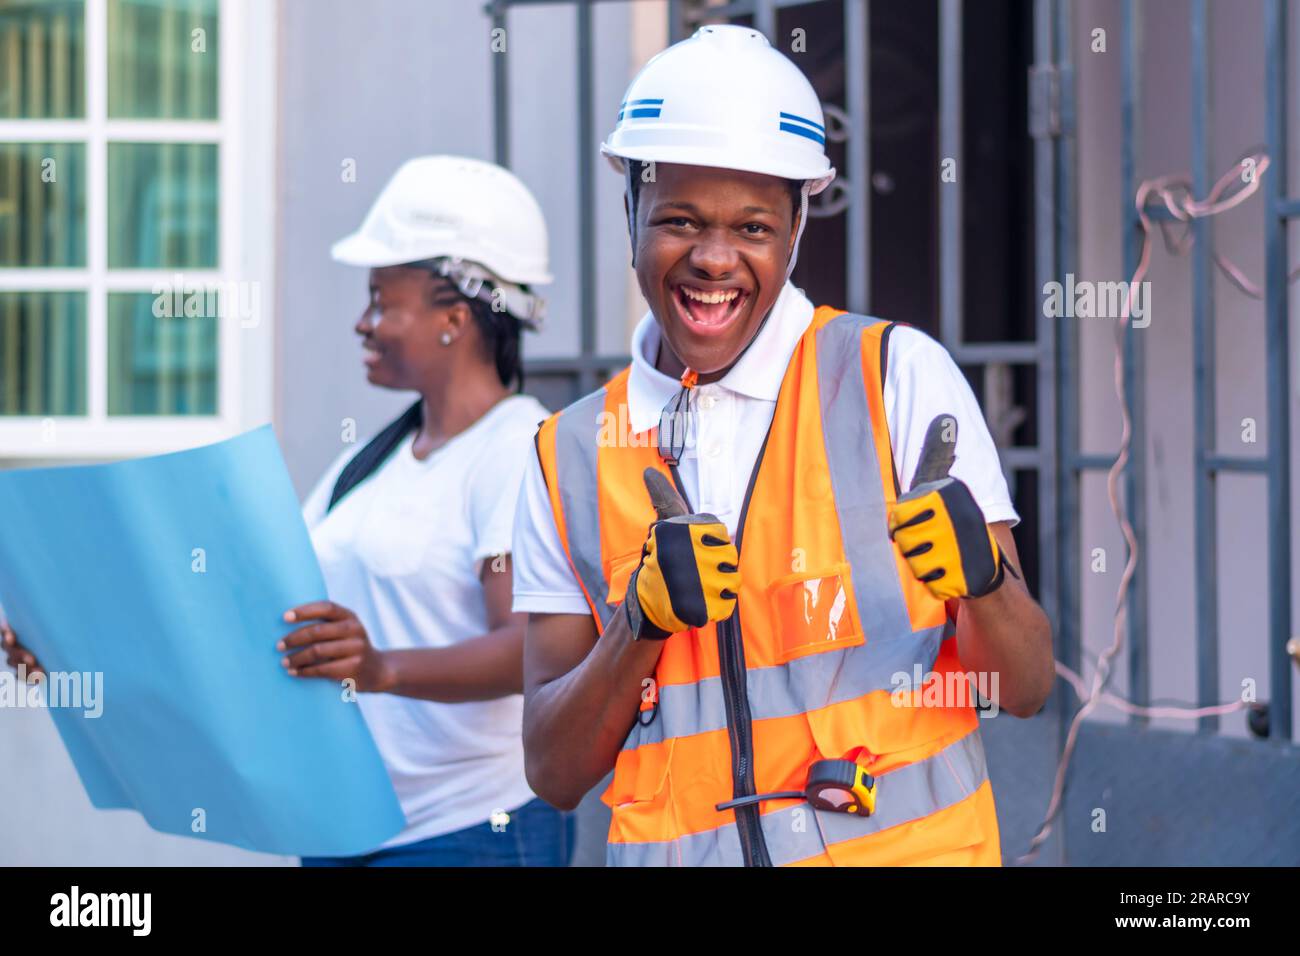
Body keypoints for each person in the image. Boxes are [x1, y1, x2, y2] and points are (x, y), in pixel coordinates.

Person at [511, 25, 1054, 867]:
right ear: (631, 213)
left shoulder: (894, 379)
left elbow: (1021, 688)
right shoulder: (569, 454)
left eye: (754, 228)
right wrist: (639, 624)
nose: (714, 261)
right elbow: (552, 770)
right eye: (680, 221)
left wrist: (982, 584)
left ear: (798, 224)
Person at [7, 155, 574, 867]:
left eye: (381, 301)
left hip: (465, 835)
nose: (362, 323)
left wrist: (383, 669)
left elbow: (532, 647)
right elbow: (262, 622)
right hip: (345, 828)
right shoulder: (367, 465)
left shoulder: (514, 447)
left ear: (454, 319)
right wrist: (73, 654)